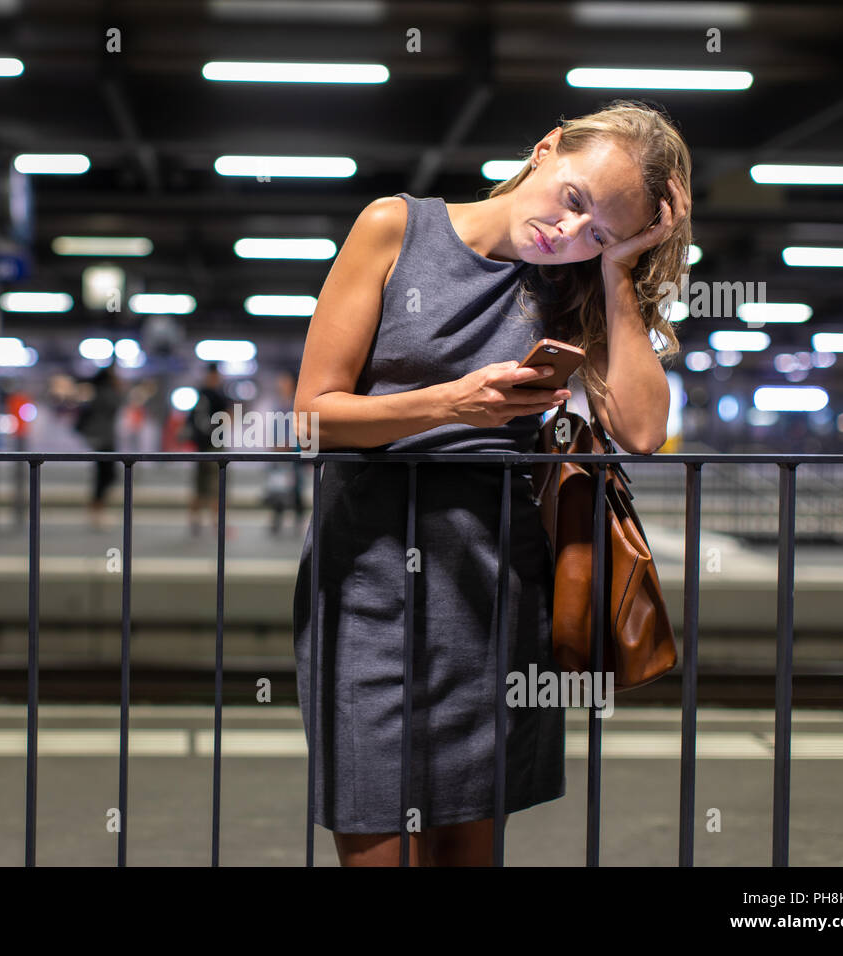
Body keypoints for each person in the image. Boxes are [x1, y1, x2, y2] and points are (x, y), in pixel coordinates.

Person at [292, 99, 690, 866]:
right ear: (544, 151)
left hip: (498, 594)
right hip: (368, 587)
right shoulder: (395, 227)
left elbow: (641, 430)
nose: (568, 233)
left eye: (600, 232)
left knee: (467, 855)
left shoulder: (575, 284)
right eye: (575, 202)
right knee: (375, 837)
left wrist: (615, 274)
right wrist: (452, 402)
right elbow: (311, 417)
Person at [75, 364, 124, 531]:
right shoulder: (107, 393)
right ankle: (96, 510)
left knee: (104, 475)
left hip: (100, 439)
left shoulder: (98, 392)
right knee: (106, 475)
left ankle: (96, 509)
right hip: (104, 440)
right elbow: (117, 403)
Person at [186, 363, 231, 536]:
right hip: (214, 446)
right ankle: (218, 525)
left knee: (199, 487)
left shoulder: (200, 394)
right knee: (217, 487)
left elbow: (190, 420)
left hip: (200, 448)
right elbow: (226, 418)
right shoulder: (218, 395)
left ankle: (194, 521)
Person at [264, 370, 306, 535]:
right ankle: (277, 520)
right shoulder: (278, 404)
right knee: (278, 487)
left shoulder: (296, 404)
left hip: (293, 454)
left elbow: (300, 429)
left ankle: (298, 520)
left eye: (284, 381)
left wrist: (291, 445)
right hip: (279, 454)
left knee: (295, 488)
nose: (281, 385)